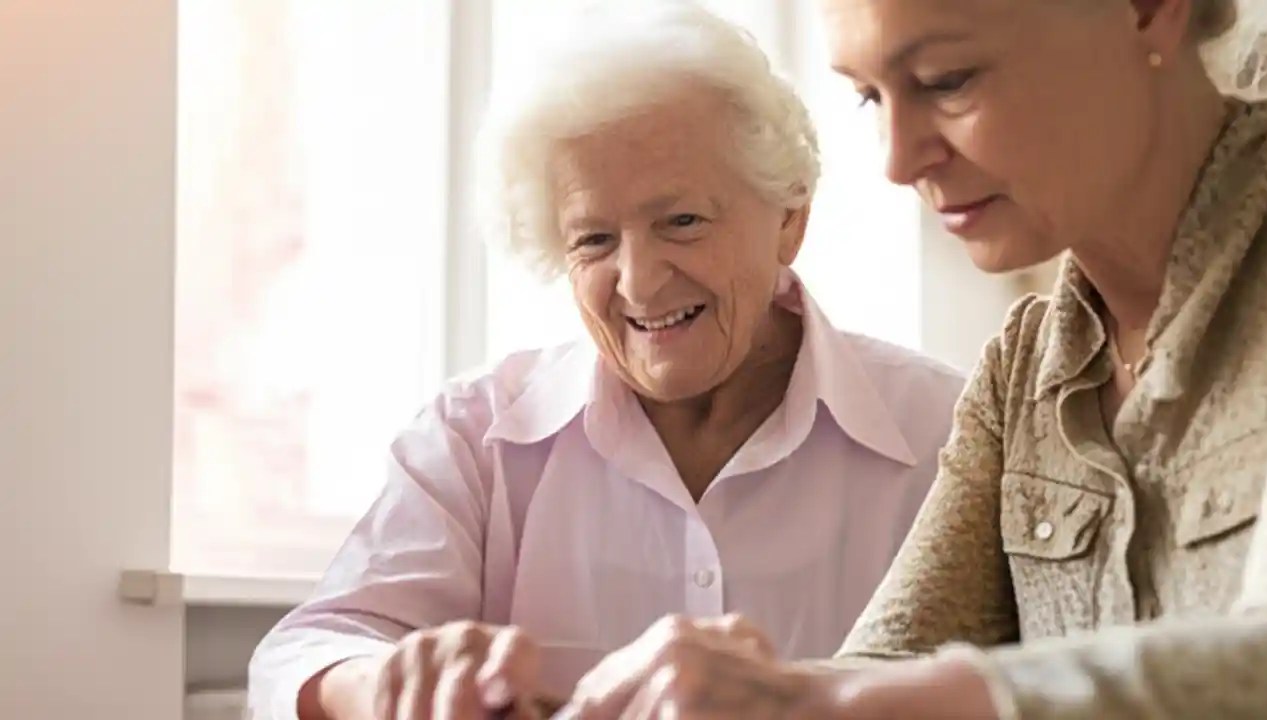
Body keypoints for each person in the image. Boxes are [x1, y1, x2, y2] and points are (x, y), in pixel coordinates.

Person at [501, 0, 1267, 718]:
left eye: (948, 80)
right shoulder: (1023, 372)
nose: (898, 162)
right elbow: (885, 663)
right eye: (870, 97)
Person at [245, 3, 966, 718]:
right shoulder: (475, 437)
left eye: (682, 222)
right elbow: (307, 650)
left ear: (789, 218)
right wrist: (387, 684)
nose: (639, 283)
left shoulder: (946, 433)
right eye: (593, 240)